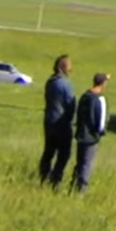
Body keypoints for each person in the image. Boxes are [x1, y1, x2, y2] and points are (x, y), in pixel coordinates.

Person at [39, 55, 77, 189]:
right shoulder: (65, 84)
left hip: (48, 120)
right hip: (61, 122)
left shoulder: (50, 81)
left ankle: (43, 177)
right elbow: (71, 104)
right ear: (63, 67)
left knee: (48, 151)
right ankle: (55, 179)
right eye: (69, 66)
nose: (71, 69)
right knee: (64, 153)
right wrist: (72, 120)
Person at [71, 72, 110, 194]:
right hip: (91, 137)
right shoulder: (100, 99)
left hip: (81, 134)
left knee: (80, 162)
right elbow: (101, 121)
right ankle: (81, 190)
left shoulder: (85, 96)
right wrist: (100, 133)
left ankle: (73, 184)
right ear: (103, 83)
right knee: (87, 164)